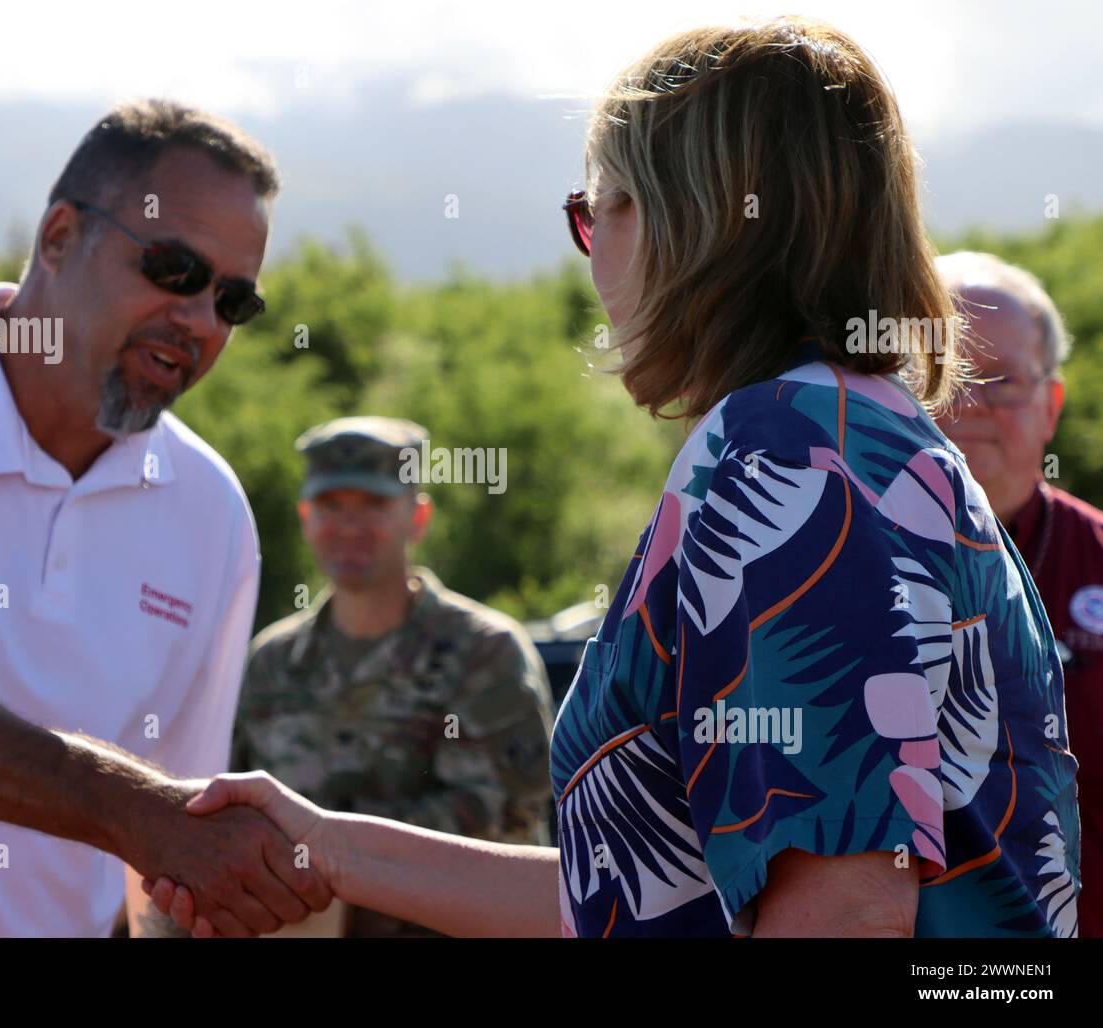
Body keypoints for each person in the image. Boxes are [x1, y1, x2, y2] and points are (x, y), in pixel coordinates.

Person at [148, 16, 1080, 938]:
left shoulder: (790, 454)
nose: (591, 256)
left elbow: (847, 906)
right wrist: (329, 849)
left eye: (599, 210)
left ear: (701, 215)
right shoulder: (861, 428)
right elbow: (636, 897)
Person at [0, 99, 329, 937]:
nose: (197, 320)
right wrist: (134, 809)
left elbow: (157, 874)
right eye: (173, 268)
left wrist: (156, 830)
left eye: (233, 301)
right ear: (57, 237)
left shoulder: (211, 513)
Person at [230, 416, 556, 936]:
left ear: (418, 517)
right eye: (332, 507)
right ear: (305, 516)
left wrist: (321, 848)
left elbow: (503, 821)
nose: (350, 527)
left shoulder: (483, 652)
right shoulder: (272, 662)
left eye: (375, 506)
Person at [934, 251, 1099, 937]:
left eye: (999, 379)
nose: (969, 403)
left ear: (1051, 405)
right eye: (943, 377)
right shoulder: (829, 569)